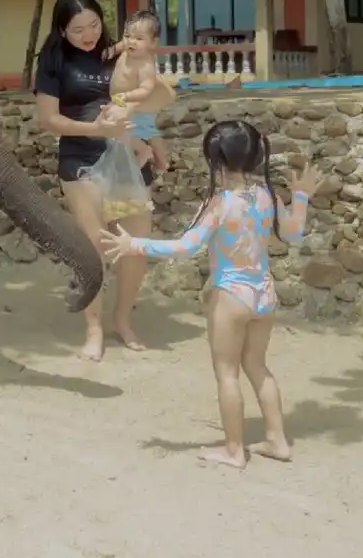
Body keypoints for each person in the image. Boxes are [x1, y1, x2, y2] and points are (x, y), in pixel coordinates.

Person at [100, 119, 323, 470]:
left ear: (215, 160)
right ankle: (277, 440)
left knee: (227, 374)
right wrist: (301, 196)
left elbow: (185, 246)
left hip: (231, 297)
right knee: (258, 366)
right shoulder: (266, 195)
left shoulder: (219, 203)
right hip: (264, 295)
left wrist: (134, 244)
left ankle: (234, 450)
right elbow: (293, 232)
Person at [33, 0, 154, 361]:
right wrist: (96, 130)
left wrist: (148, 139)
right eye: (78, 29)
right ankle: (94, 329)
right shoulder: (54, 60)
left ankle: (123, 320)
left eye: (94, 25)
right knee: (95, 246)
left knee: (135, 245)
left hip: (126, 156)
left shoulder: (119, 54)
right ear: (62, 29)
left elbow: (148, 96)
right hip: (81, 159)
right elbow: (48, 119)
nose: (88, 35)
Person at [102, 9, 174, 172]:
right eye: (127, 36)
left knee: (132, 132)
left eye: (139, 39)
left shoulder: (145, 64)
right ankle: (158, 159)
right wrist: (110, 51)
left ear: (153, 43)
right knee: (148, 132)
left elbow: (146, 89)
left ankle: (145, 152)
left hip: (138, 106)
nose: (131, 42)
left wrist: (127, 96)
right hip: (123, 102)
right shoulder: (126, 49)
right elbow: (120, 46)